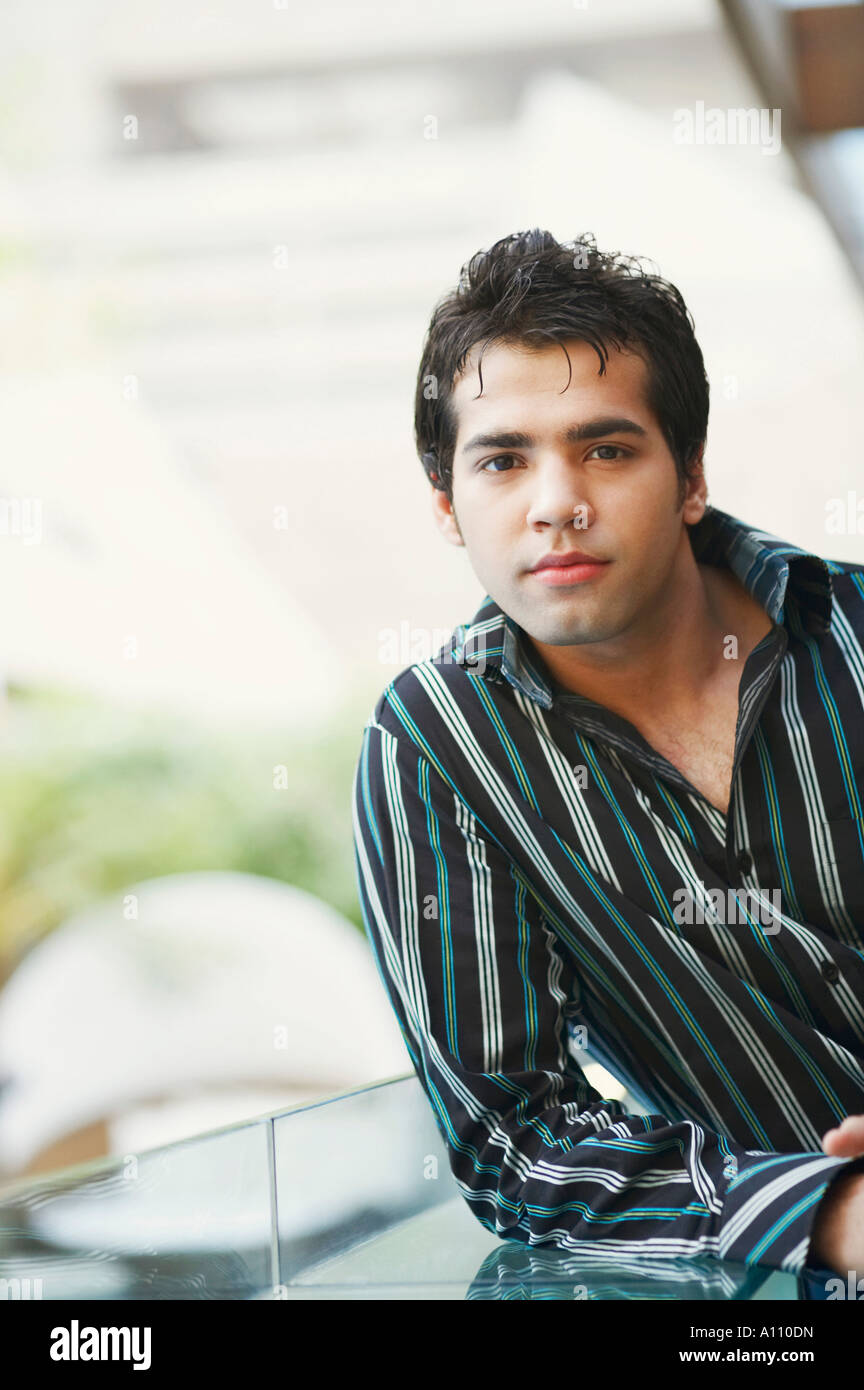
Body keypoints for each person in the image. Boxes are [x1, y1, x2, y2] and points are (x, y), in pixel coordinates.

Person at [351, 229, 864, 1279]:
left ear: (690, 478)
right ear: (449, 506)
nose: (557, 503)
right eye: (503, 459)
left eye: (607, 448)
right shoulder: (435, 749)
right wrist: (830, 1209)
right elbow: (514, 1141)